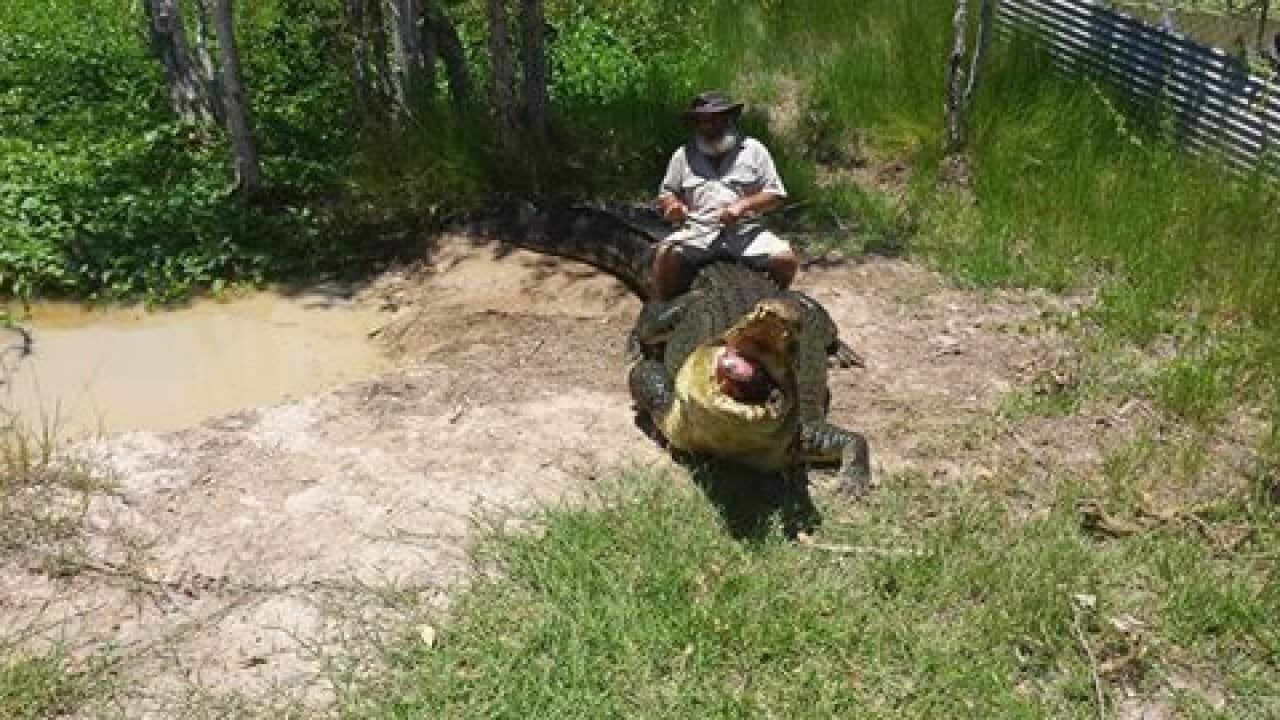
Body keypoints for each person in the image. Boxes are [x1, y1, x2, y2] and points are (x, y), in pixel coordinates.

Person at [653, 92, 798, 300]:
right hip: (698, 233)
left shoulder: (754, 150)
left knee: (786, 260)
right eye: (702, 120)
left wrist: (743, 206)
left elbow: (775, 194)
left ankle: (774, 303)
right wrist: (673, 207)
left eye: (714, 118)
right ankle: (663, 306)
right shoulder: (682, 155)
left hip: (746, 234)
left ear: (728, 118)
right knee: (664, 254)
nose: (708, 126)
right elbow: (667, 193)